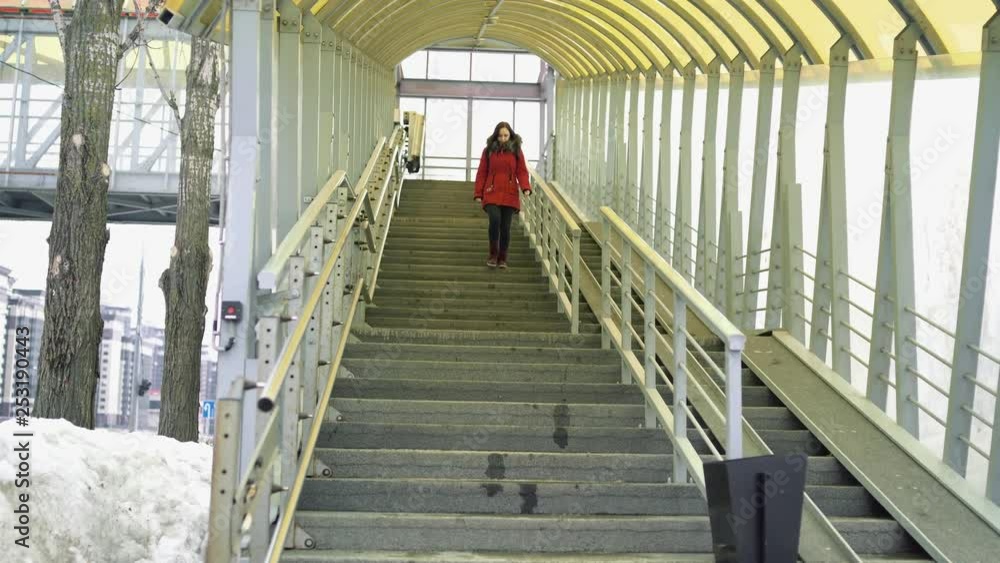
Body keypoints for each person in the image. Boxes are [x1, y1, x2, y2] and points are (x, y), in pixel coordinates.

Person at [474, 121, 532, 269]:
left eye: (506, 135)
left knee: (505, 227)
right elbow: (482, 172)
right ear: (496, 136)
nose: (503, 138)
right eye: (500, 136)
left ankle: (502, 258)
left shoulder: (516, 151)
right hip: (491, 192)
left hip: (510, 193)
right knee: (495, 220)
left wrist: (525, 187)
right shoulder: (488, 151)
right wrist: (478, 192)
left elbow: (522, 171)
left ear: (510, 135)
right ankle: (493, 254)